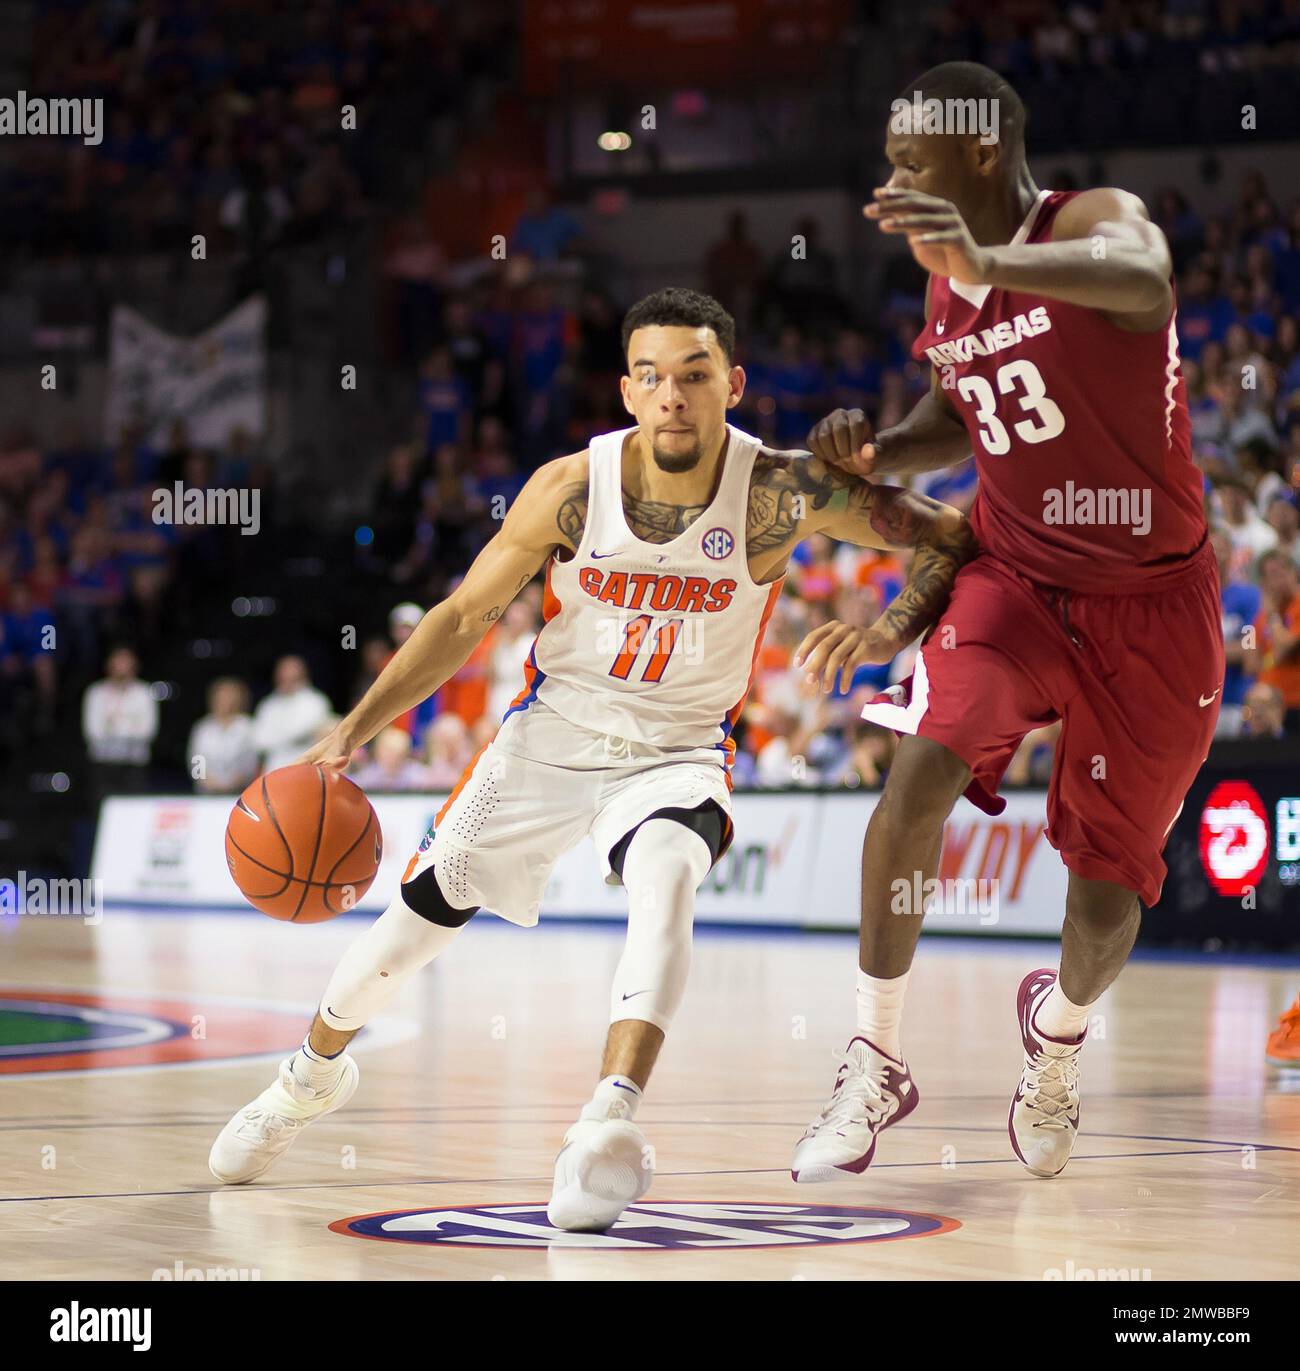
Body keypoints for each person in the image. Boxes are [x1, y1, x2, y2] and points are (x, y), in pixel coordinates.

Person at [208, 287, 975, 1231]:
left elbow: (950, 534)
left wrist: (889, 628)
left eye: (696, 376)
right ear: (626, 390)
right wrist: (351, 731)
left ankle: (608, 1119)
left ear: (732, 384)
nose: (673, 396)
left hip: (679, 748)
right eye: (652, 376)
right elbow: (461, 617)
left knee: (667, 877)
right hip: (551, 734)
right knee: (408, 934)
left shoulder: (781, 490)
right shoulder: (571, 486)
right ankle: (307, 1077)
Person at [795, 62, 1224, 1183]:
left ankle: (1060, 1040)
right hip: (1017, 579)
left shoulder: (1087, 223)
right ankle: (874, 1055)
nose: (889, 180)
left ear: (979, 152)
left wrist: (987, 262)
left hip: (1152, 605)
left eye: (908, 158)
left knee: (1102, 898)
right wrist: (883, 451)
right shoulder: (947, 291)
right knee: (917, 773)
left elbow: (1142, 275)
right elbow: (966, 403)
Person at [82, 646, 158, 796]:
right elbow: (93, 733)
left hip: (135, 764)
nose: (122, 666)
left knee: (133, 810)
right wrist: (130, 724)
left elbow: (147, 732)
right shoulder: (96, 693)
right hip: (103, 763)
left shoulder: (144, 693)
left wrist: (112, 724)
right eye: (118, 660)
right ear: (109, 664)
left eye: (126, 661)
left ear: (135, 665)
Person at [251, 655, 332, 772]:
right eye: (283, 676)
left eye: (292, 676)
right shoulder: (268, 705)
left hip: (306, 771)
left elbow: (301, 731)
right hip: (273, 771)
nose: (286, 680)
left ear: (302, 675)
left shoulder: (316, 701)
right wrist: (287, 736)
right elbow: (260, 741)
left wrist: (276, 734)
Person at [187, 677, 258, 794]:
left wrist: (236, 781)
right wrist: (205, 780)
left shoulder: (247, 726)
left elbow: (252, 759)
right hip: (207, 791)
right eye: (221, 696)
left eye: (230, 696)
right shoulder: (203, 727)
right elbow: (195, 758)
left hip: (239, 791)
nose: (225, 701)